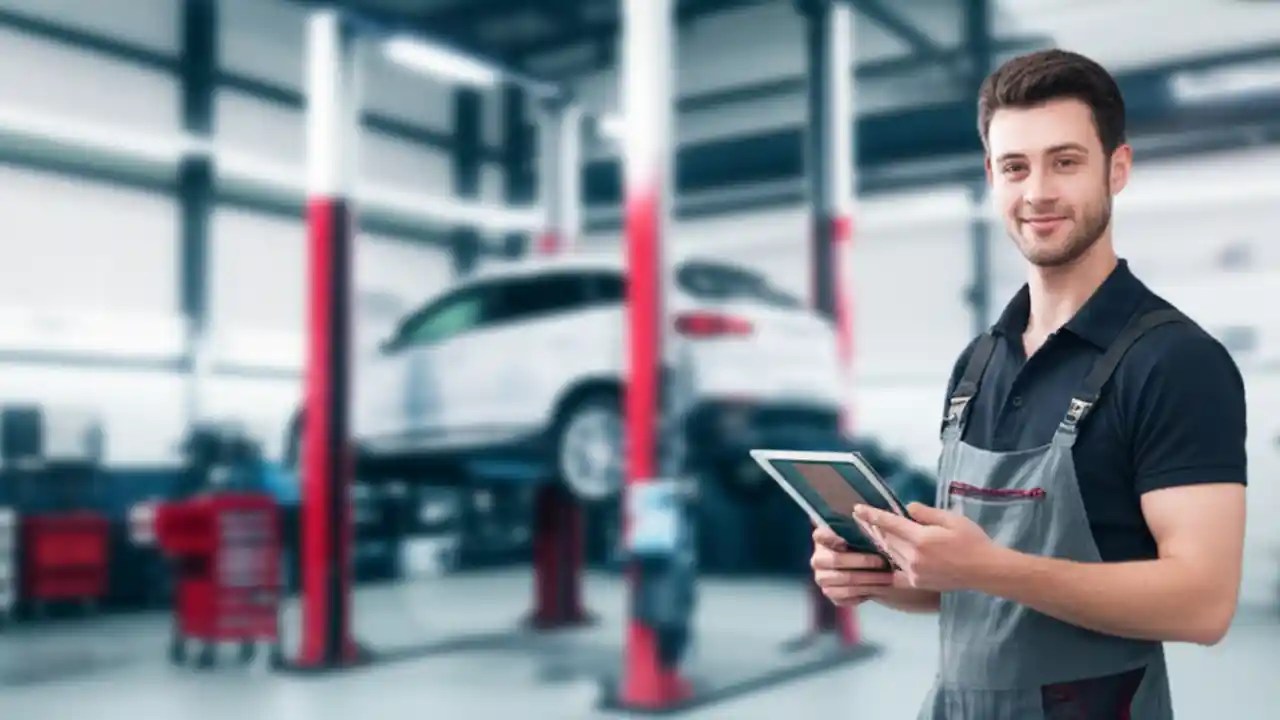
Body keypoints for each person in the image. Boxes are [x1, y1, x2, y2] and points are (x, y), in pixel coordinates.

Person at [810, 49, 1248, 719]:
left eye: (1065, 161)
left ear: (1117, 169)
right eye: (1015, 166)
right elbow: (971, 589)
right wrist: (884, 577)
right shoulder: (978, 364)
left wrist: (986, 568)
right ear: (991, 176)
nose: (1037, 191)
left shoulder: (1176, 362)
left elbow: (1202, 602)